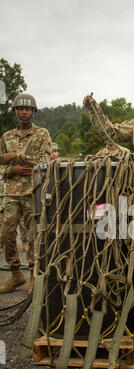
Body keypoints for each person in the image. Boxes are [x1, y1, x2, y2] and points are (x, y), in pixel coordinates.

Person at [0, 93, 52, 294]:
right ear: (16, 111)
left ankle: (33, 275)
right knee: (6, 235)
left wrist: (16, 156)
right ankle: (15, 274)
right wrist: (11, 170)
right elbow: (1, 163)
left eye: (27, 109)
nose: (24, 112)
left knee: (33, 237)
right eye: (20, 109)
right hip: (11, 193)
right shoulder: (6, 137)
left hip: (33, 191)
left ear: (33, 112)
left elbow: (45, 160)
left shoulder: (42, 134)